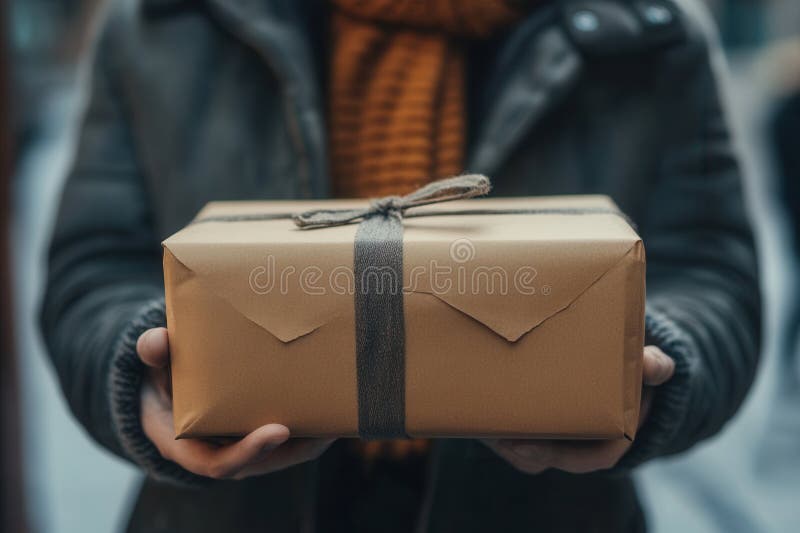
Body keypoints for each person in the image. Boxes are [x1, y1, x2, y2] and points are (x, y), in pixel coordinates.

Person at [40, 0, 761, 531]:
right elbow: (92, 267)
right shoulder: (164, 24)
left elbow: (714, 275)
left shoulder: (649, 31)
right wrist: (147, 372)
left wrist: (648, 373)